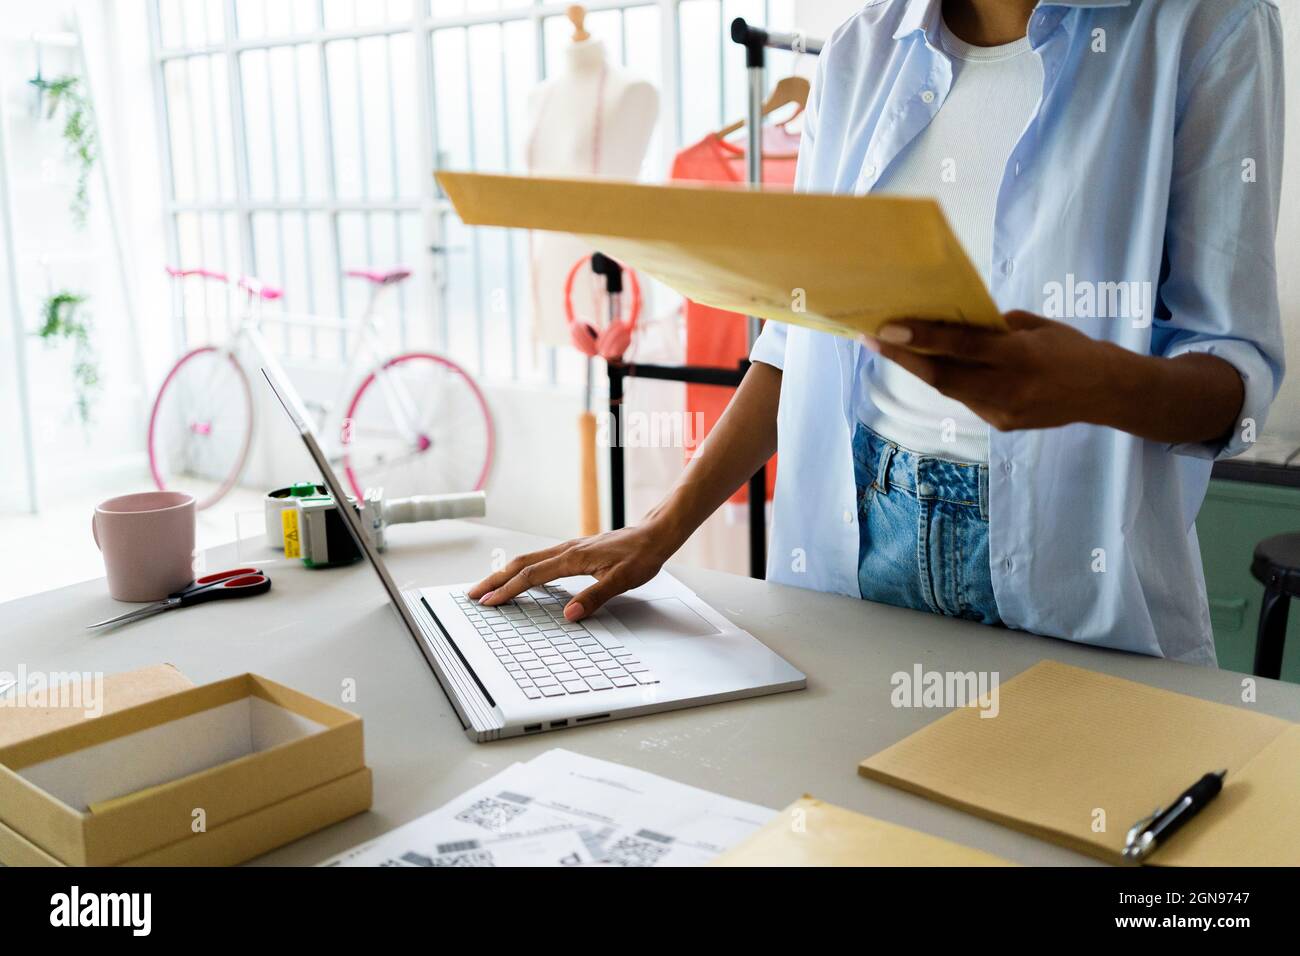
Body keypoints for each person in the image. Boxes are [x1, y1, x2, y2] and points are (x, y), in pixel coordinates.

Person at [471, 0, 1286, 665]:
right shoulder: (862, 51)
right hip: (857, 541)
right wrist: (664, 525)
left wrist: (1095, 383)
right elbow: (800, 337)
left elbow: (1232, 378)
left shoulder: (1205, 28)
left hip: (1076, 572)